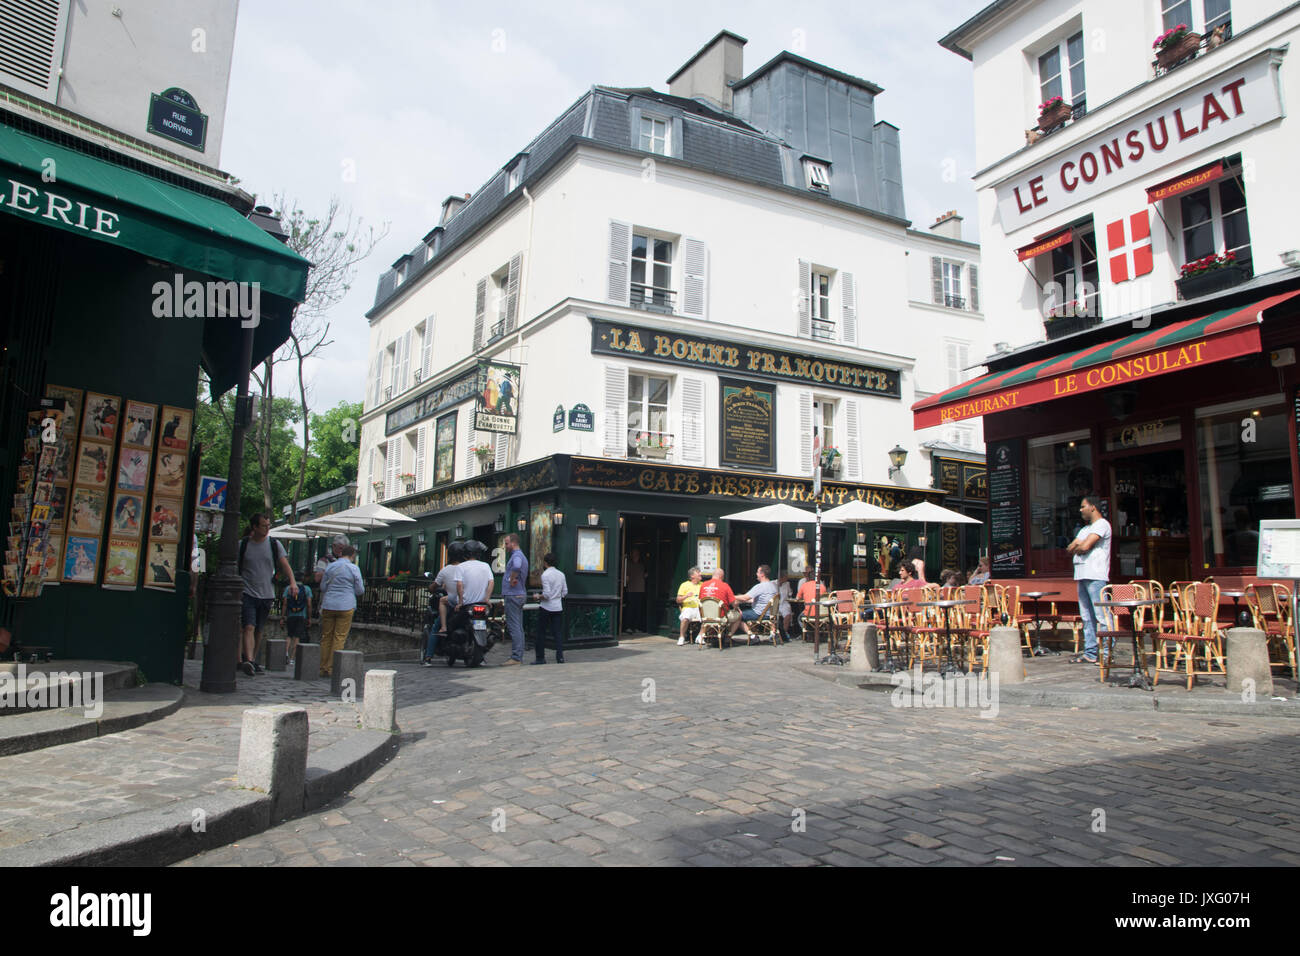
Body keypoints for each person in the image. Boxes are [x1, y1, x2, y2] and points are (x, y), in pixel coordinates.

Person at [238, 514, 298, 677]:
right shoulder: (243, 545)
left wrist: (293, 582)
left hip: (266, 593)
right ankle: (249, 660)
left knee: (259, 629)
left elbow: (285, 565)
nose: (267, 528)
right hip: (247, 592)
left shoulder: (274, 544)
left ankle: (252, 660)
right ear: (254, 527)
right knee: (248, 626)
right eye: (264, 526)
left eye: (268, 525)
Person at [1068, 492, 1112, 665]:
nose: (1080, 510)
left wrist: (1082, 546)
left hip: (1095, 574)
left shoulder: (1102, 524)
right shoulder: (1085, 529)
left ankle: (1107, 651)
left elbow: (1084, 546)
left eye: (1082, 506)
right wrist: (1080, 546)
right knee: (1086, 616)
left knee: (1102, 614)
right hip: (1081, 574)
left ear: (1092, 507)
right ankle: (1091, 652)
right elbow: (1070, 547)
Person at [319, 544, 364, 678]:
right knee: (339, 637)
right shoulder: (354, 568)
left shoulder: (330, 566)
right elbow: (360, 590)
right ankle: (333, 667)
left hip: (329, 604)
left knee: (326, 636)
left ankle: (322, 667)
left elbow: (322, 587)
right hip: (346, 605)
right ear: (352, 555)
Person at [532, 552, 568, 664]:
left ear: (545, 562)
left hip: (546, 607)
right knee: (557, 633)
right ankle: (560, 657)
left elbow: (546, 594)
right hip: (558, 607)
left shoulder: (545, 575)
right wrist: (557, 597)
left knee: (541, 632)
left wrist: (538, 596)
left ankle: (540, 658)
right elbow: (565, 591)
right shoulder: (561, 574)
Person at [502, 533, 529, 664]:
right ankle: (518, 656)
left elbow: (517, 566)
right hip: (519, 594)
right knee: (518, 626)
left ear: (513, 543)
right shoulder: (520, 555)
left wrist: (512, 578)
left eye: (506, 543)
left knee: (514, 626)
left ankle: (516, 657)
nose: (505, 546)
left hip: (513, 595)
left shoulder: (517, 556)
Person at [734, 564, 778, 641]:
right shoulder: (773, 586)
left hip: (760, 614)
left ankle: (752, 636)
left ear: (762, 574)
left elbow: (745, 597)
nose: (756, 574)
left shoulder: (760, 587)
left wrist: (732, 596)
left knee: (737, 616)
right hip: (771, 614)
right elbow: (761, 599)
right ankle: (773, 633)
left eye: (757, 572)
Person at [281, 572, 313, 667]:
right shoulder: (307, 589)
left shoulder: (288, 588)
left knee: (289, 635)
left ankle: (285, 653)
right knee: (297, 637)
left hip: (291, 616)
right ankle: (292, 659)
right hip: (301, 616)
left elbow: (285, 604)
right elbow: (309, 604)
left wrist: (282, 617)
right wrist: (309, 618)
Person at [698, 568, 737, 644]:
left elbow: (701, 600)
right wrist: (737, 606)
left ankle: (708, 634)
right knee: (738, 616)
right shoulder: (725, 586)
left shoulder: (703, 585)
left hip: (705, 617)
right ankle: (727, 637)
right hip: (720, 617)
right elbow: (734, 603)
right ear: (721, 576)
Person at [675, 566, 703, 646]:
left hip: (699, 607)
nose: (700, 574)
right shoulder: (684, 585)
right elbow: (678, 600)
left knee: (707, 618)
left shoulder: (703, 585)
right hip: (688, 607)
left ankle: (700, 636)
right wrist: (686, 596)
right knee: (685, 617)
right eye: (698, 573)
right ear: (692, 576)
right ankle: (682, 637)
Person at [623, 547, 646, 634]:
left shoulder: (642, 565)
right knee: (630, 609)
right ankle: (628, 627)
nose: (636, 556)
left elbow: (645, 575)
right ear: (631, 555)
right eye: (634, 554)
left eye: (637, 554)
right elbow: (626, 578)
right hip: (631, 590)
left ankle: (636, 627)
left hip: (640, 590)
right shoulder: (628, 565)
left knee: (638, 609)